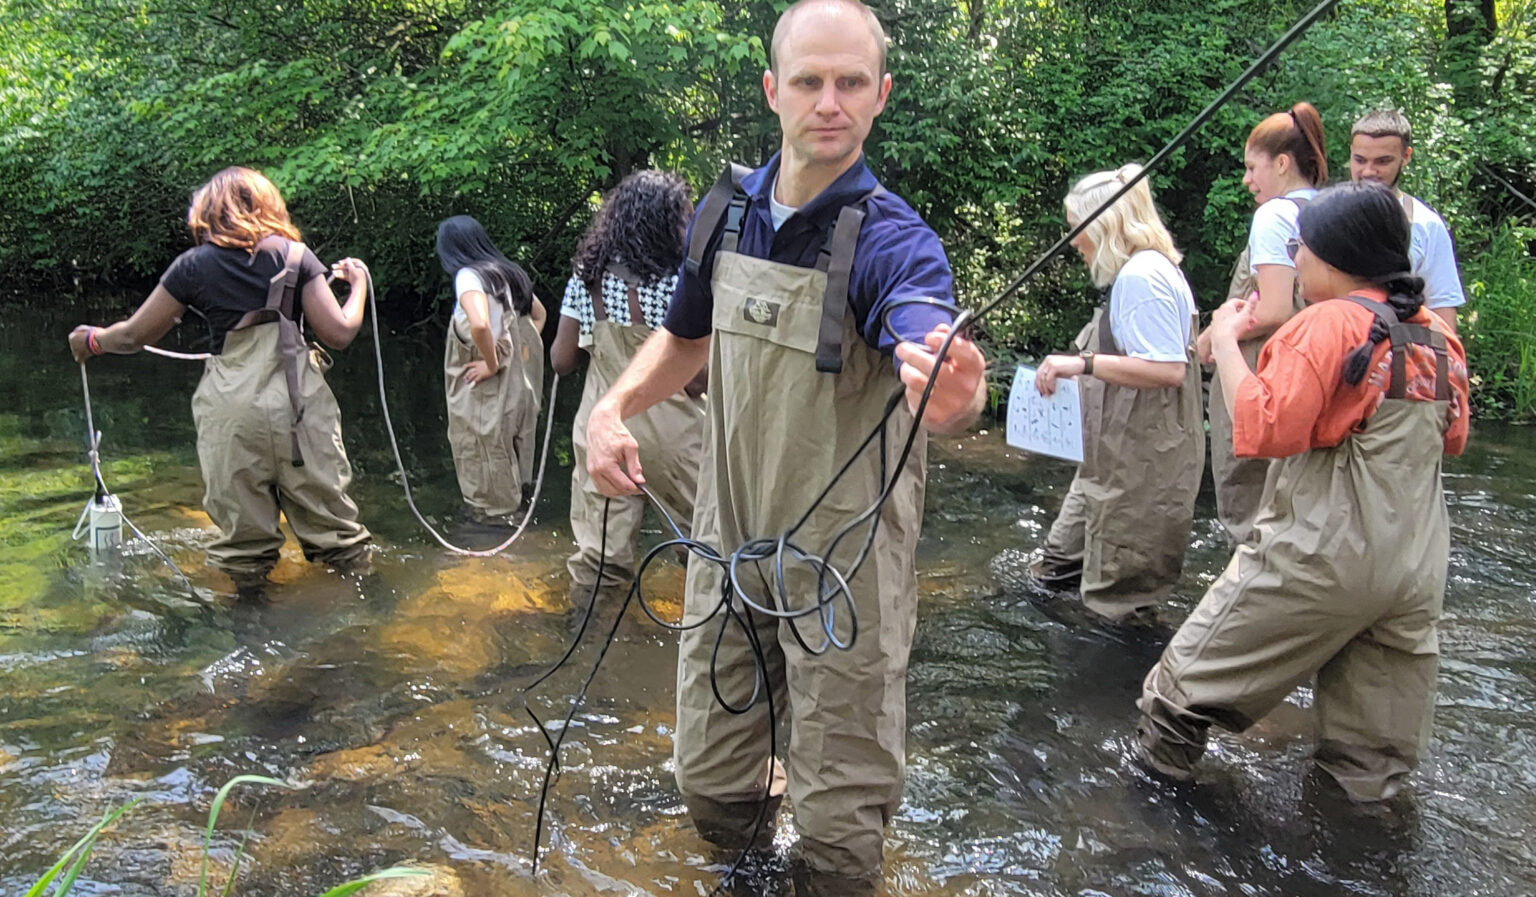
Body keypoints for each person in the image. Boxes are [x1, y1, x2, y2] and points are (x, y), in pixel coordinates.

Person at [582, 1, 987, 893]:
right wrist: (610, 407)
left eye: (850, 83)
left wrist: (955, 386)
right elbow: (686, 336)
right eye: (810, 81)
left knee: (842, 837)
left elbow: (937, 359)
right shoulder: (724, 211)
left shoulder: (896, 242)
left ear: (881, 96)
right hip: (725, 541)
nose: (829, 102)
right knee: (711, 783)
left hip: (844, 563)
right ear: (774, 90)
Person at [1137, 181, 1470, 803]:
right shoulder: (1441, 341)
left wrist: (1229, 342)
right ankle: (1358, 859)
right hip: (1417, 570)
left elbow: (1261, 429)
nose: (1294, 259)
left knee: (1174, 697)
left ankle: (1147, 832)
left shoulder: (1326, 324)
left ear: (1333, 257)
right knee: (1369, 764)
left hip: (1324, 555)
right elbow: (1452, 442)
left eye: (1300, 247)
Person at [67, 166, 373, 594]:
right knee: (340, 541)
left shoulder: (192, 267)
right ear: (267, 205)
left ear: (210, 213)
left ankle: (252, 633)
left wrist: (92, 341)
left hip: (231, 413)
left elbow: (135, 335)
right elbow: (339, 333)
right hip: (299, 412)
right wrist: (357, 285)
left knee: (243, 550)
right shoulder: (295, 256)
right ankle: (368, 624)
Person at [1024, 164, 1204, 623]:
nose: (1073, 242)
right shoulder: (1141, 272)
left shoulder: (1143, 278)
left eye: (1076, 230)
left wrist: (1079, 363)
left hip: (1140, 464)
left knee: (1117, 605)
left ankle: (1116, 687)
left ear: (1101, 225)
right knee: (1055, 571)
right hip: (1112, 459)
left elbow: (1166, 370)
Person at [550, 170, 706, 603]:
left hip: (601, 434)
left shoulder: (587, 275)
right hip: (676, 435)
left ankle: (593, 651)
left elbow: (561, 361)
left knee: (599, 564)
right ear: (672, 222)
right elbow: (697, 380)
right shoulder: (684, 281)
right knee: (704, 549)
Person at [1201, 102, 1329, 549]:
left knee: (1247, 505)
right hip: (1308, 370)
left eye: (1252, 167)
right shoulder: (1329, 209)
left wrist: (1215, 334)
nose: (1246, 179)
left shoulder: (1274, 215)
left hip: (1258, 368)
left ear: (1282, 163)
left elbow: (1274, 309)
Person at [435, 215, 546, 523]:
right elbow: (539, 316)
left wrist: (492, 363)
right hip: (515, 388)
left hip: (484, 389)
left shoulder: (468, 277)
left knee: (482, 459)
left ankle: (491, 535)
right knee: (507, 454)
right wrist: (514, 354)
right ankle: (517, 522)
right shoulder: (507, 273)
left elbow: (480, 323)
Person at [1349, 108, 1466, 334]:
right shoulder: (1326, 218)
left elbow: (1443, 315)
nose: (1368, 171)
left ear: (1406, 157)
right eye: (1360, 160)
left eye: (1382, 161)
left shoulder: (1426, 225)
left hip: (1399, 356)